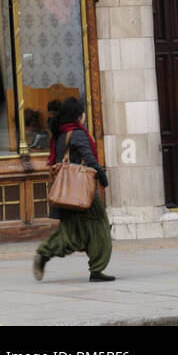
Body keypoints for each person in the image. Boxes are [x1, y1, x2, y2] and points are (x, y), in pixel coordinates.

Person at [34, 96, 113, 282]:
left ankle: (44, 253)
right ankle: (97, 269)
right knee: (99, 227)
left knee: (70, 230)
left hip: (66, 192)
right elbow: (90, 159)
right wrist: (102, 177)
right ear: (79, 116)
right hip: (82, 190)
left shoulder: (61, 134)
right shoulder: (77, 134)